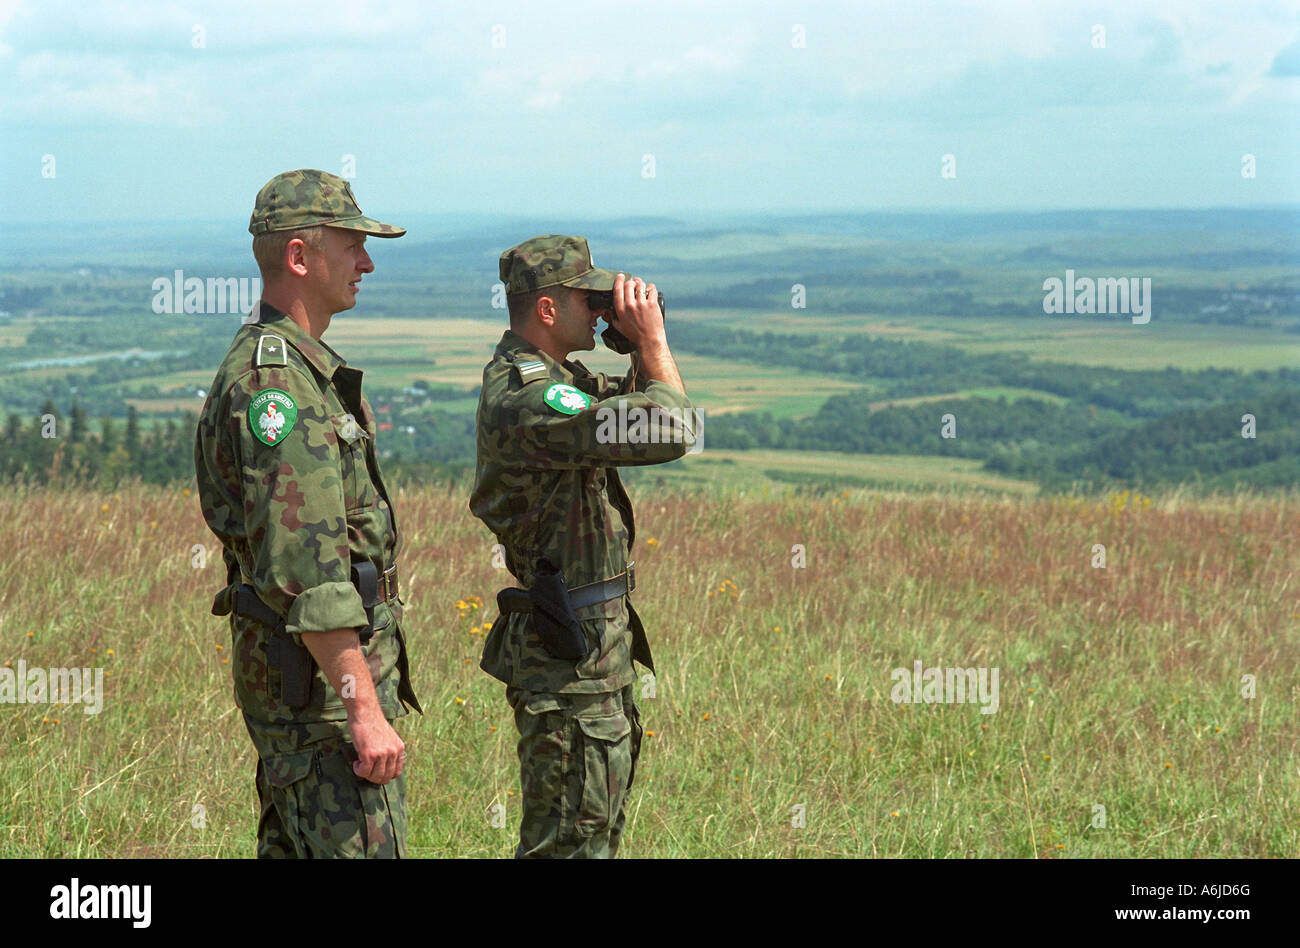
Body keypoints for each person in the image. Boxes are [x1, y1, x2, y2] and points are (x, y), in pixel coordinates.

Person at [194, 169, 421, 858]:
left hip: (308, 700)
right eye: (352, 245)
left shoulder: (292, 369)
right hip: (321, 709)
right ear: (300, 257)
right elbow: (311, 575)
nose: (367, 261)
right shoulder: (279, 389)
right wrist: (364, 712)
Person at [470, 234, 697, 857]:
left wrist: (628, 349)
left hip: (592, 647)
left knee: (591, 837)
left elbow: (630, 414)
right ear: (547, 310)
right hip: (571, 658)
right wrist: (652, 343)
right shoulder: (531, 396)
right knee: (568, 844)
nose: (601, 313)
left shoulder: (559, 382)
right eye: (588, 302)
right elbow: (672, 428)